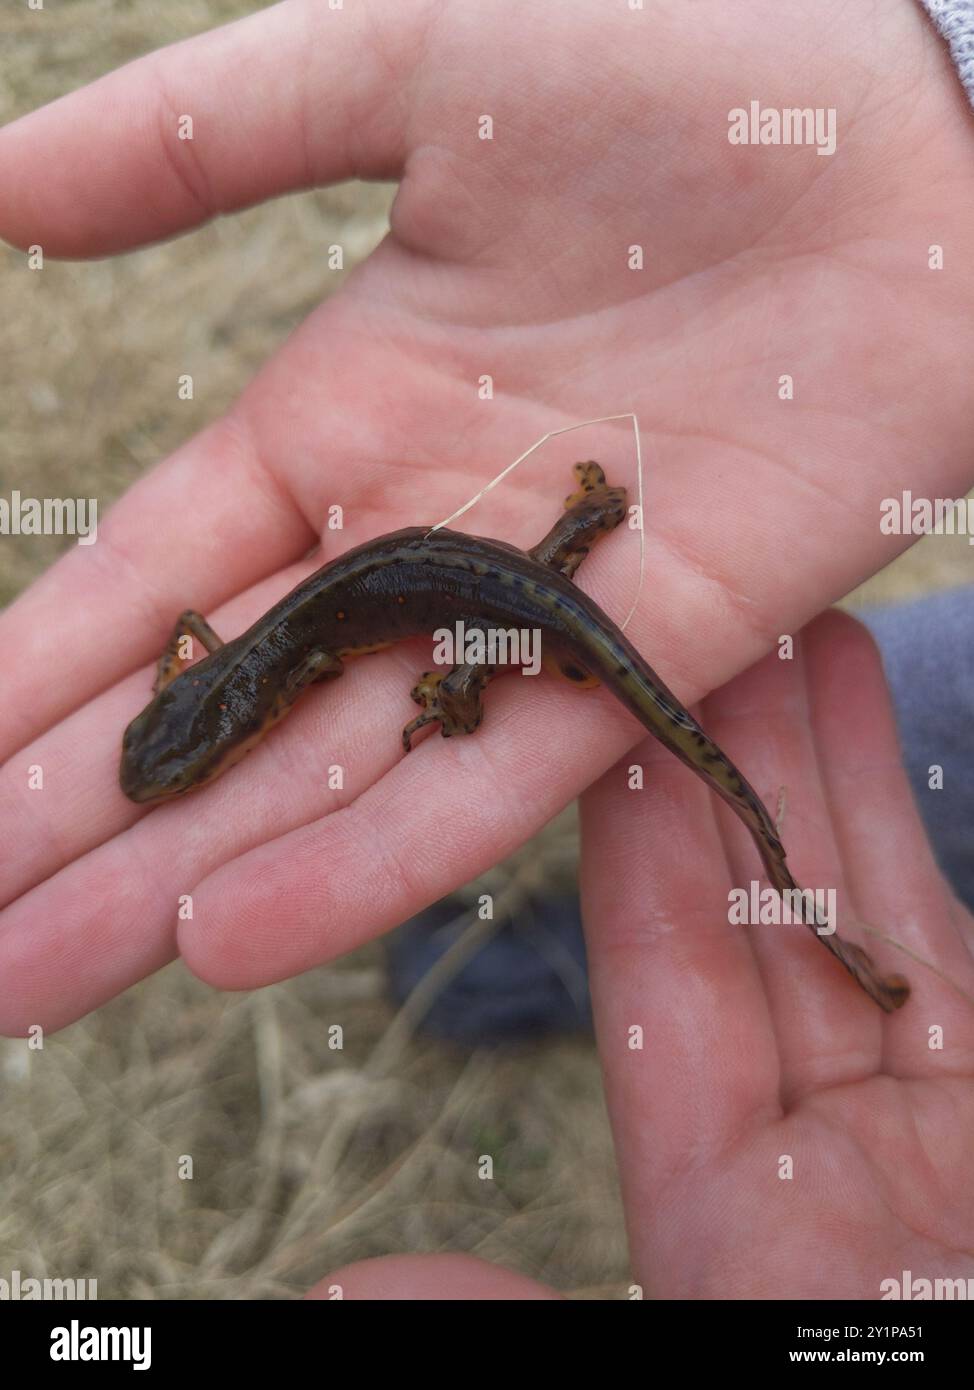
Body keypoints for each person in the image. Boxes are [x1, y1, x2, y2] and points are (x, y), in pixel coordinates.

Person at [1, 0, 972, 1298]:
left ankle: (583, 653)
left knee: (493, 645)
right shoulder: (244, 658)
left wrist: (450, 694)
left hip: (504, 610)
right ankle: (584, 538)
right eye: (174, 754)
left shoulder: (278, 669)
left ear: (223, 725)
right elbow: (211, 637)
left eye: (174, 762)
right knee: (522, 621)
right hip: (513, 594)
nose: (180, 754)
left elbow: (310, 648)